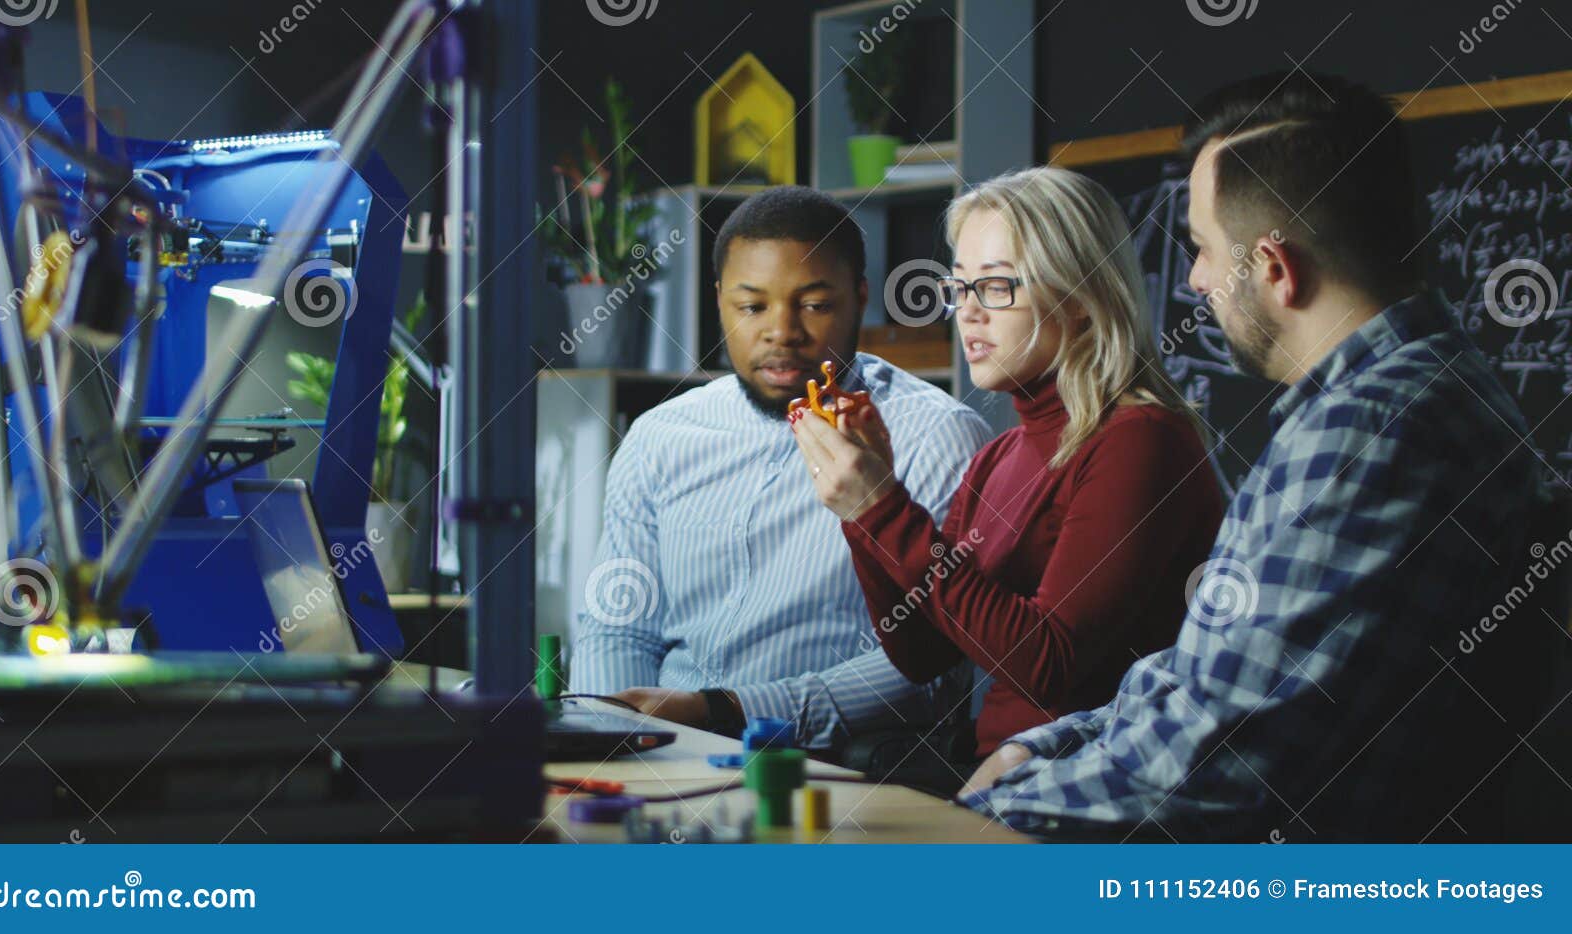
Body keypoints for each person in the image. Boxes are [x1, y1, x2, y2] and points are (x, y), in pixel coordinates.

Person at [959, 71, 1559, 841]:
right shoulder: (1393, 395)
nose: (1197, 281)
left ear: (1274, 269)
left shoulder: (1370, 431)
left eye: (1204, 251)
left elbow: (1220, 760)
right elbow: (1206, 675)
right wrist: (1037, 746)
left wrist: (977, 819)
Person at [790, 167, 1222, 794]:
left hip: (1095, 793)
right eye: (959, 288)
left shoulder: (1138, 439)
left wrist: (882, 509)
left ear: (1079, 300)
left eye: (994, 288)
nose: (966, 313)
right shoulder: (999, 455)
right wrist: (864, 512)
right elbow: (922, 653)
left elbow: (1049, 664)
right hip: (999, 775)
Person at [570, 186, 993, 749]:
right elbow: (618, 624)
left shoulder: (937, 438)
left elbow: (935, 671)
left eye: (815, 305)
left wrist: (726, 713)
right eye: (752, 307)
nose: (782, 332)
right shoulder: (658, 438)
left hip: (839, 779)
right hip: (664, 765)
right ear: (719, 301)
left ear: (861, 298)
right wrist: (613, 749)